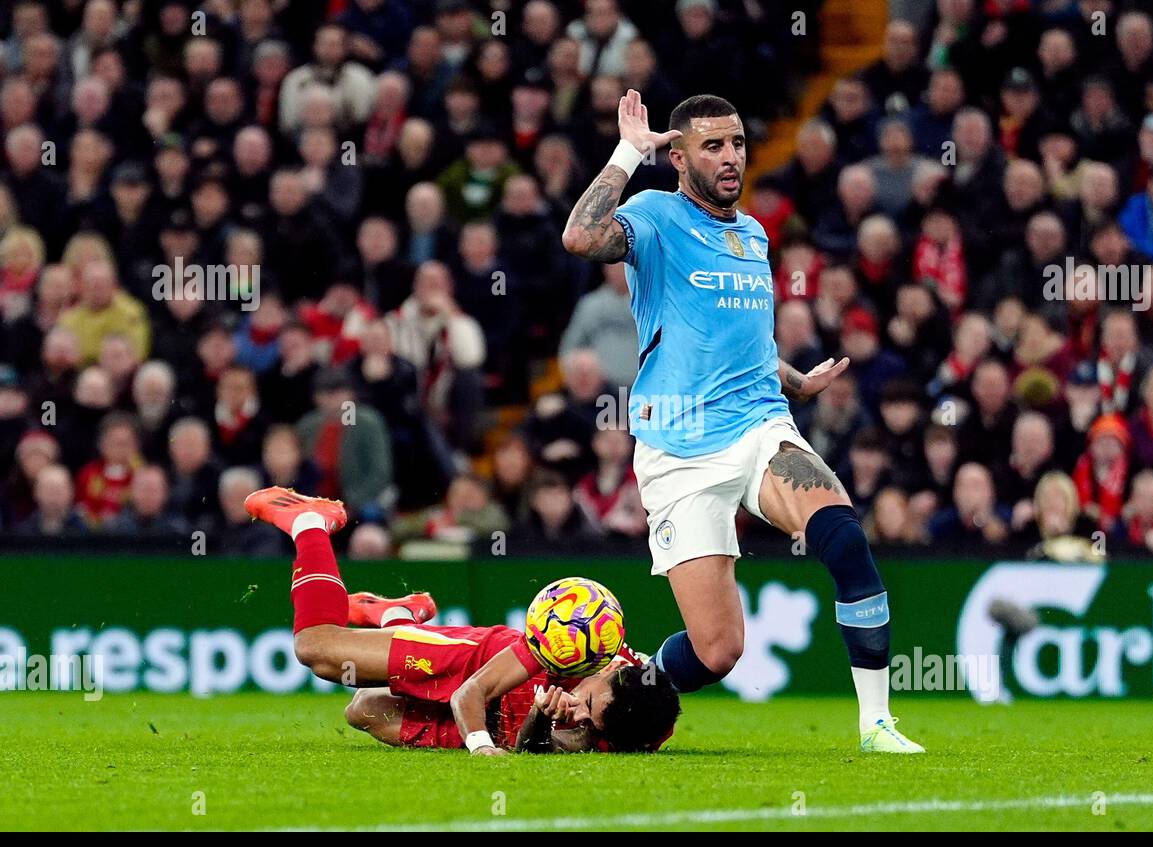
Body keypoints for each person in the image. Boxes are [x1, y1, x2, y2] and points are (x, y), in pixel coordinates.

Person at [560, 90, 923, 753]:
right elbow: (581, 236)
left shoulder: (752, 233)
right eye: (712, 145)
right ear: (677, 155)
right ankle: (611, 684)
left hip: (759, 425)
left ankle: (876, 722)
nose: (731, 158)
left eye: (737, 144)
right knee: (719, 650)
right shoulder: (655, 215)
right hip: (678, 451)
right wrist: (625, 154)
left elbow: (743, 342)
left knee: (842, 537)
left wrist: (795, 379)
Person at [243, 485, 679, 755]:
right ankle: (310, 524)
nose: (579, 718)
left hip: (499, 721)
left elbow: (547, 748)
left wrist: (544, 718)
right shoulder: (567, 643)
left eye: (590, 724)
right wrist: (480, 747)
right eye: (587, 705)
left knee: (363, 710)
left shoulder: (637, 723)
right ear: (614, 667)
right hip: (472, 666)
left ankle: (395, 615)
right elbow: (470, 693)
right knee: (317, 651)